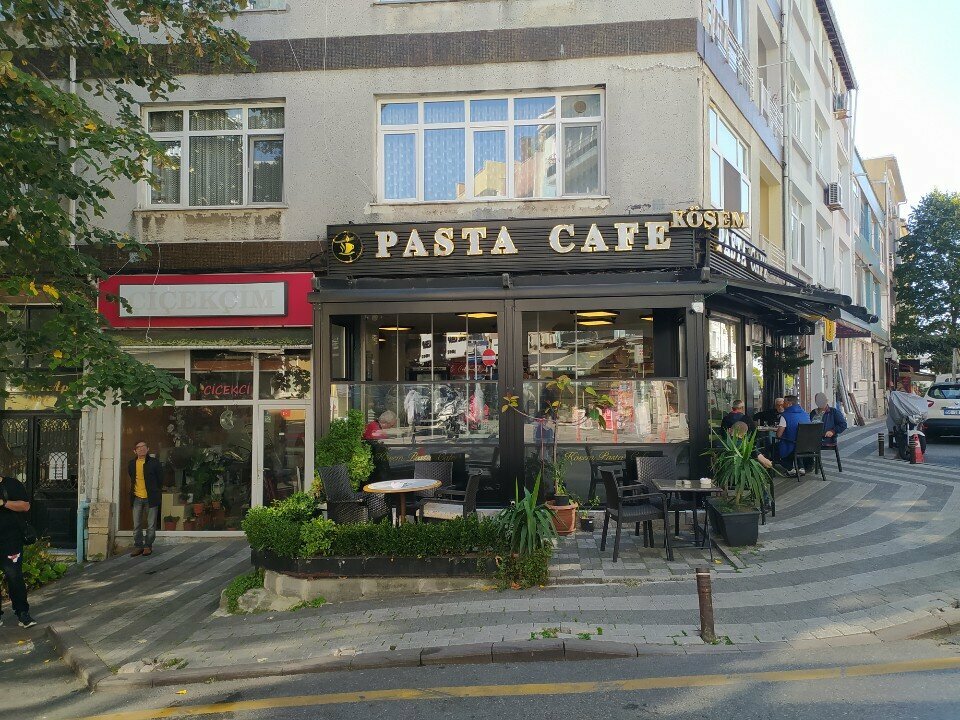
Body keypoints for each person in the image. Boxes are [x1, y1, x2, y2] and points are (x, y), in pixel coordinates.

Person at [0, 475, 36, 627]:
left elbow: (25, 506)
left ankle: (22, 613)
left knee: (14, 575)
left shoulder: (11, 484)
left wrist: (3, 503)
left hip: (10, 539)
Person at [128, 441, 162, 557]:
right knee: (137, 524)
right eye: (139, 447)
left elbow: (160, 479)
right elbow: (132, 478)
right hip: (137, 497)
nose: (141, 449)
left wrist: (155, 491)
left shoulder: (154, 463)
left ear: (148, 449)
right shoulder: (132, 464)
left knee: (151, 524)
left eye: (144, 447)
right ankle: (138, 546)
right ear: (135, 450)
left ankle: (148, 546)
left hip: (151, 498)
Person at [776, 395, 809, 474]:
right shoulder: (806, 414)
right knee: (796, 443)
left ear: (789, 404)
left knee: (771, 449)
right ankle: (801, 467)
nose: (783, 404)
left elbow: (779, 435)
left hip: (791, 446)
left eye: (784, 402)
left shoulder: (785, 416)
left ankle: (790, 469)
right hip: (806, 446)